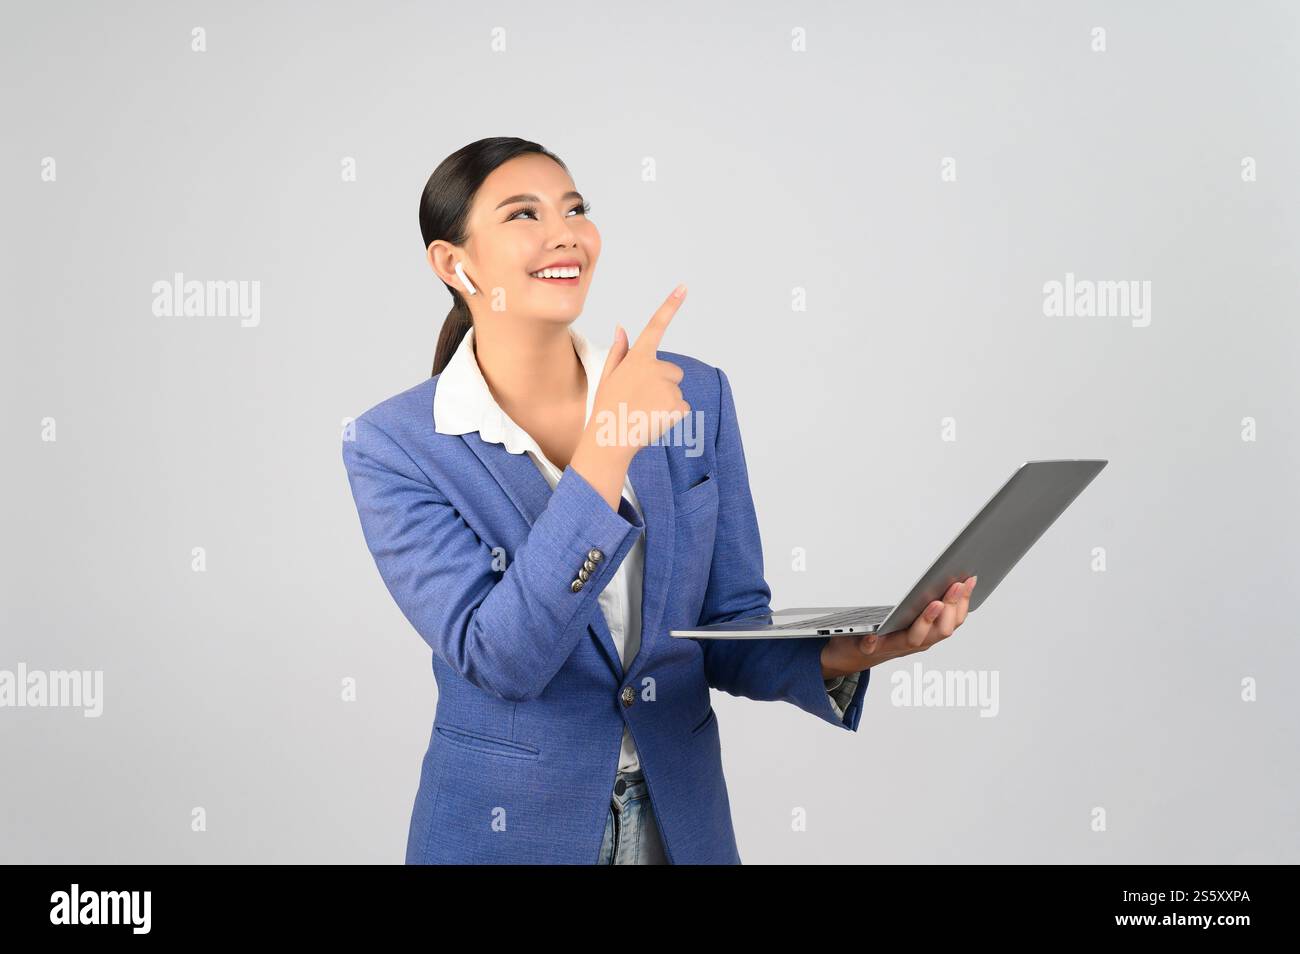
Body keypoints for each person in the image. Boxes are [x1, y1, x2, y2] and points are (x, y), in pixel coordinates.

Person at [341, 136, 976, 864]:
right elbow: (505, 660)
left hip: (681, 826)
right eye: (524, 214)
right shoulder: (395, 445)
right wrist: (608, 446)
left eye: (575, 208)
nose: (565, 233)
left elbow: (727, 633)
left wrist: (860, 649)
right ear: (455, 263)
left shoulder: (692, 393)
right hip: (507, 831)